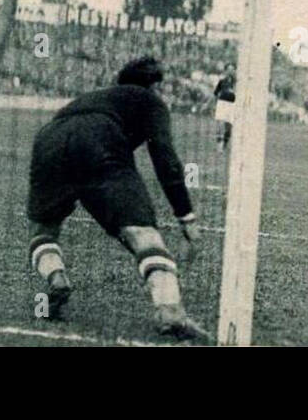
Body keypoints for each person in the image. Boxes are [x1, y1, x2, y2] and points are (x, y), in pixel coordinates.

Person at [25, 56, 207, 339]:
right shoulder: (149, 100)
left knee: (44, 227)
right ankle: (169, 309)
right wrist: (186, 215)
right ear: (154, 85)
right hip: (99, 138)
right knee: (140, 231)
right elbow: (164, 157)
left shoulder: (97, 96)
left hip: (48, 138)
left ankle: (56, 276)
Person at [213, 63, 236, 151]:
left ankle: (224, 144)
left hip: (232, 105)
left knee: (228, 127)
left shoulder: (237, 83)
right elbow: (215, 94)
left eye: (232, 69)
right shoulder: (222, 81)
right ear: (225, 71)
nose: (230, 71)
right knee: (220, 124)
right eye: (228, 69)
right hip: (222, 103)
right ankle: (219, 144)